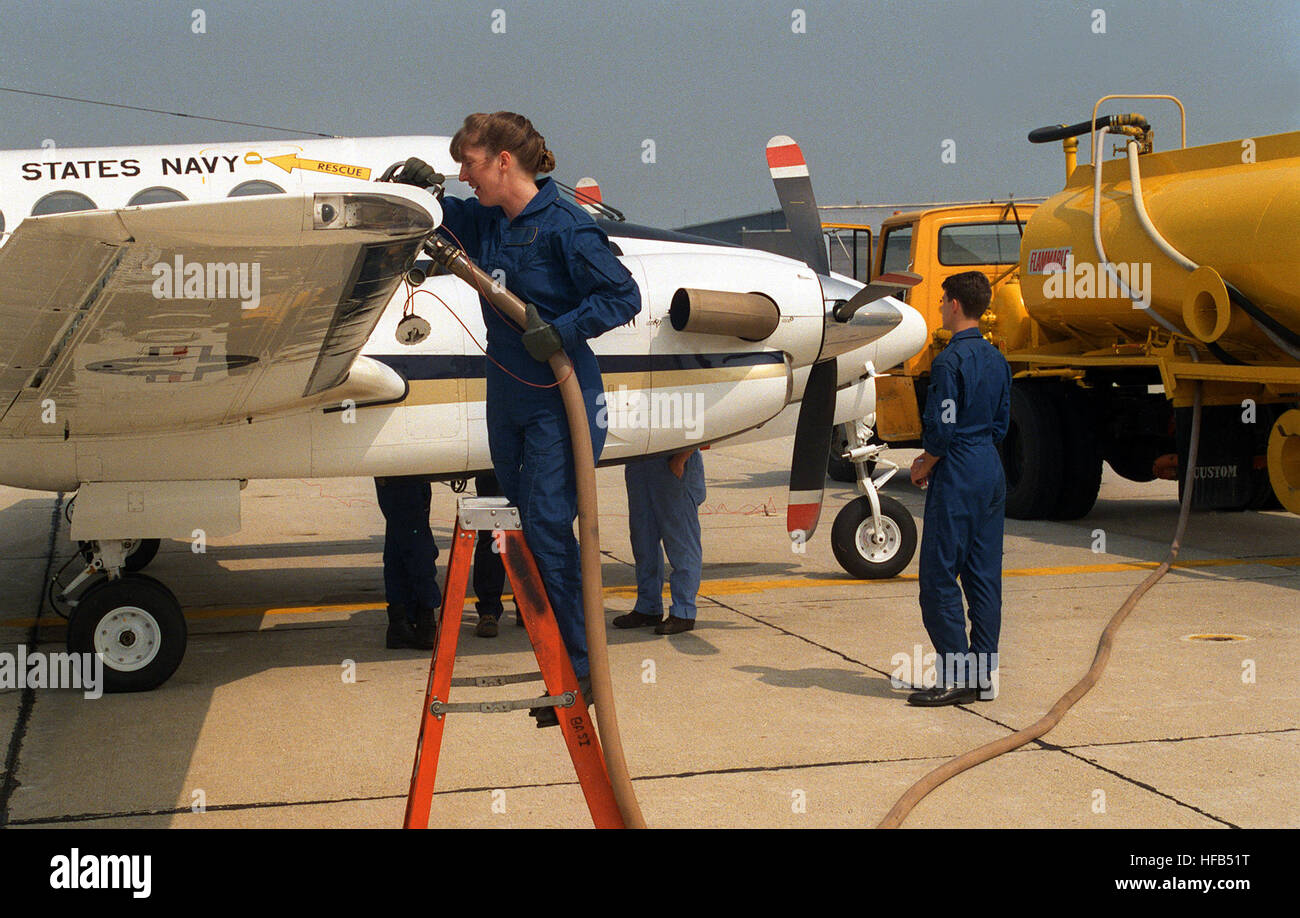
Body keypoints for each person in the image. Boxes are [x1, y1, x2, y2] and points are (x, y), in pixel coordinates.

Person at [394, 112, 640, 726]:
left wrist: (562, 330)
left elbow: (622, 296)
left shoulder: (565, 228)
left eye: (469, 164)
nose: (464, 175)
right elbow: (445, 216)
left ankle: (578, 676)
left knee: (550, 532)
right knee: (520, 536)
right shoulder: (485, 222)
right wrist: (422, 189)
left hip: (560, 399)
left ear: (504, 160)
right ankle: (555, 662)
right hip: (506, 396)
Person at [907, 271, 1010, 706]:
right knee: (984, 577)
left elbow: (943, 428)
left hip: (959, 469)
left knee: (937, 574)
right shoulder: (998, 359)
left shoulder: (949, 362)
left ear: (953, 304)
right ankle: (983, 677)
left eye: (942, 299)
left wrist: (923, 463)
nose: (939, 306)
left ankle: (955, 676)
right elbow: (1002, 423)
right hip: (990, 465)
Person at [613, 448, 705, 635]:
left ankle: (684, 612)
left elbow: (701, 421)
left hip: (671, 459)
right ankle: (648, 607)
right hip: (639, 460)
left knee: (681, 541)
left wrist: (680, 459)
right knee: (643, 540)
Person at [374, 475, 440, 650]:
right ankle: (424, 620)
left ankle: (401, 622)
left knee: (398, 539)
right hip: (405, 471)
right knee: (417, 541)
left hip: (393, 471)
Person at [471, 471, 522, 637]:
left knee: (532, 534)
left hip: (532, 457)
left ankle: (527, 603)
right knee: (494, 534)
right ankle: (489, 610)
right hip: (496, 460)